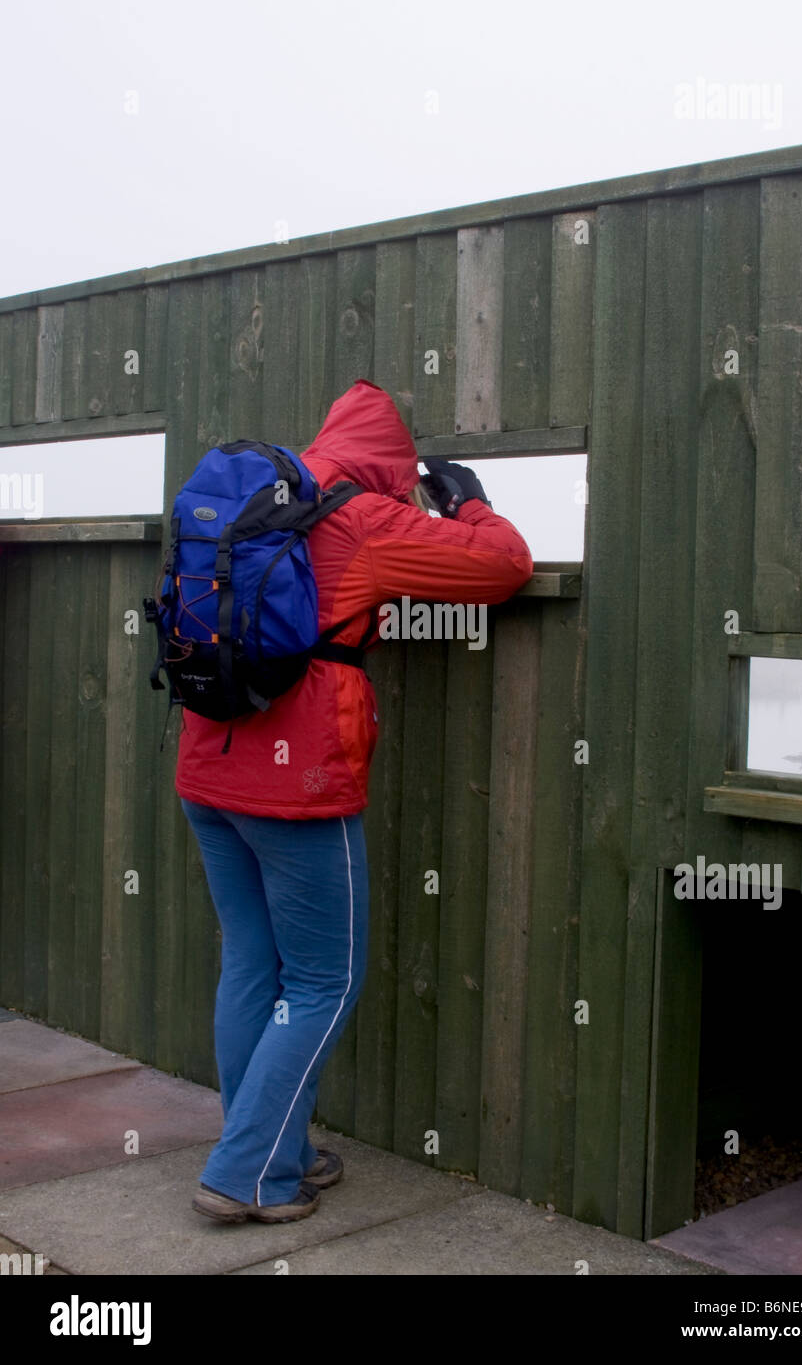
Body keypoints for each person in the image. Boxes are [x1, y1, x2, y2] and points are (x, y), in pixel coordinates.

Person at [178, 378, 533, 1224]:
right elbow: (504, 567)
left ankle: (278, 1150)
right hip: (296, 786)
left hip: (207, 765)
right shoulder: (367, 518)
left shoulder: (259, 501)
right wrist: (470, 505)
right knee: (325, 979)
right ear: (397, 463)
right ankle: (245, 1175)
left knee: (252, 965)